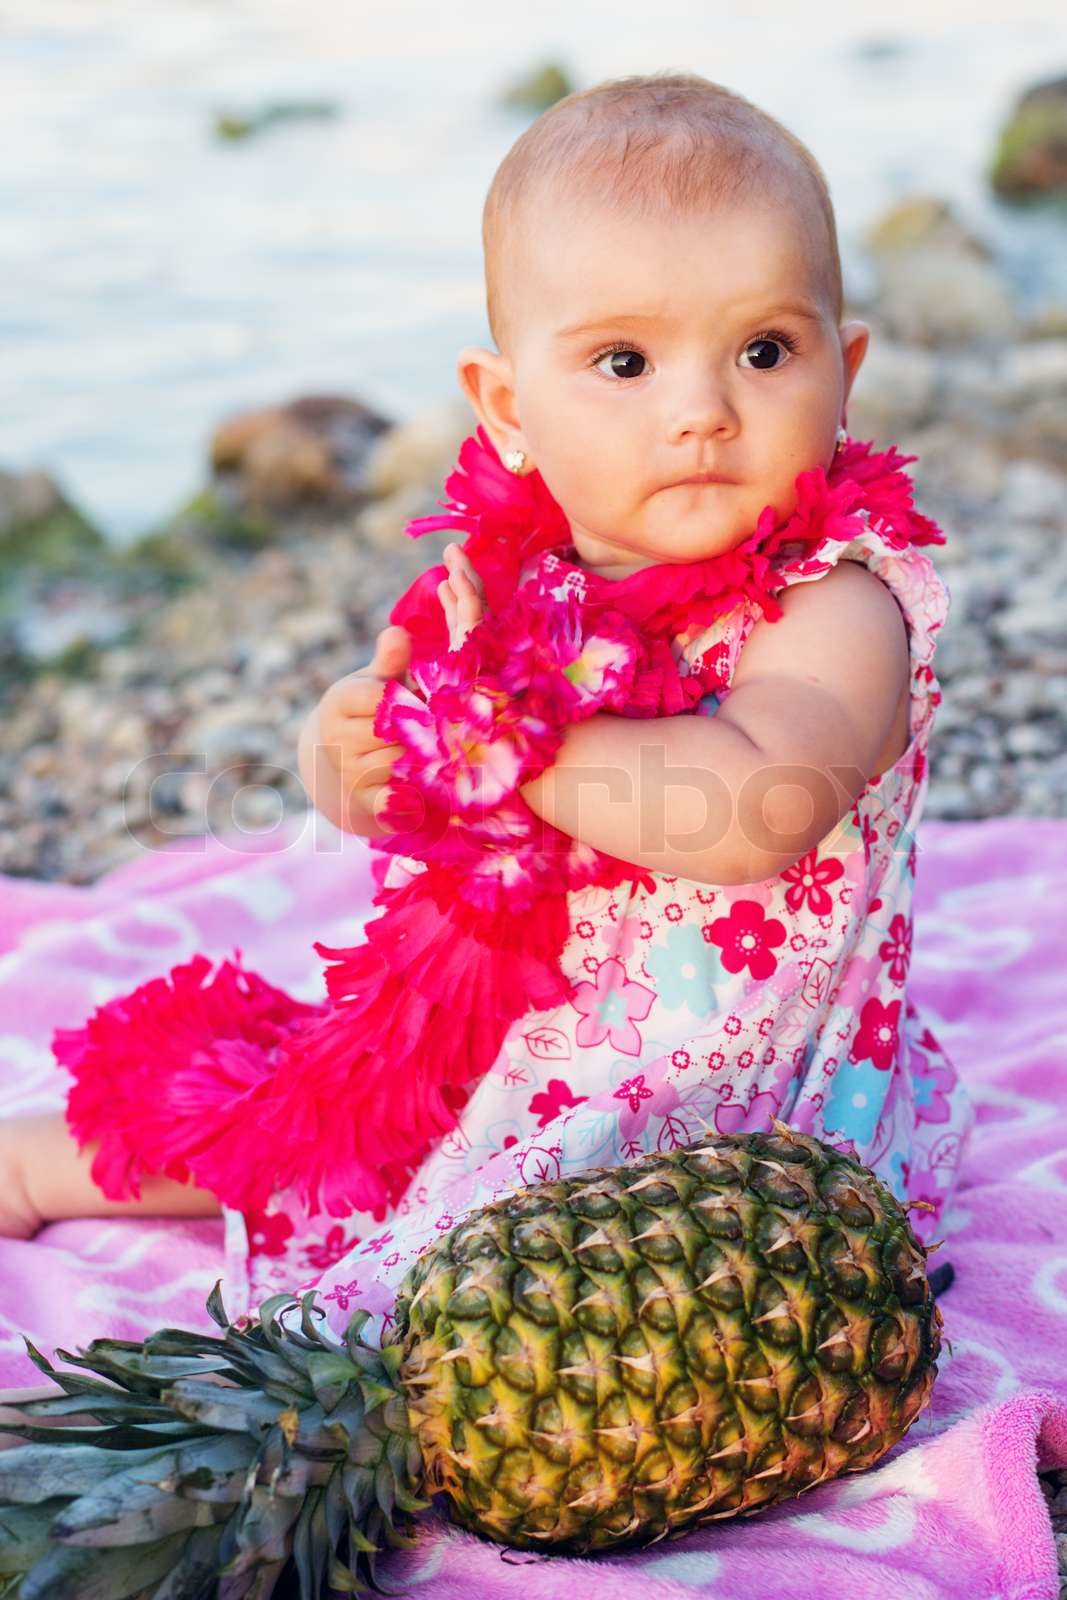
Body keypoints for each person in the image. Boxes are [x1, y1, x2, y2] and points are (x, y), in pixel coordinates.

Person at [0, 74, 973, 1316]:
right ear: (510, 408)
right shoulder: (498, 582)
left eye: (762, 351)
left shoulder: (830, 603)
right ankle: (37, 1165)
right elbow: (399, 772)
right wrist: (350, 755)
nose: (699, 411)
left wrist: (506, 746)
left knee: (460, 1236)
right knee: (317, 1113)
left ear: (842, 375)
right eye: (623, 361)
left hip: (725, 1128)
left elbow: (752, 811)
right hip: (501, 1025)